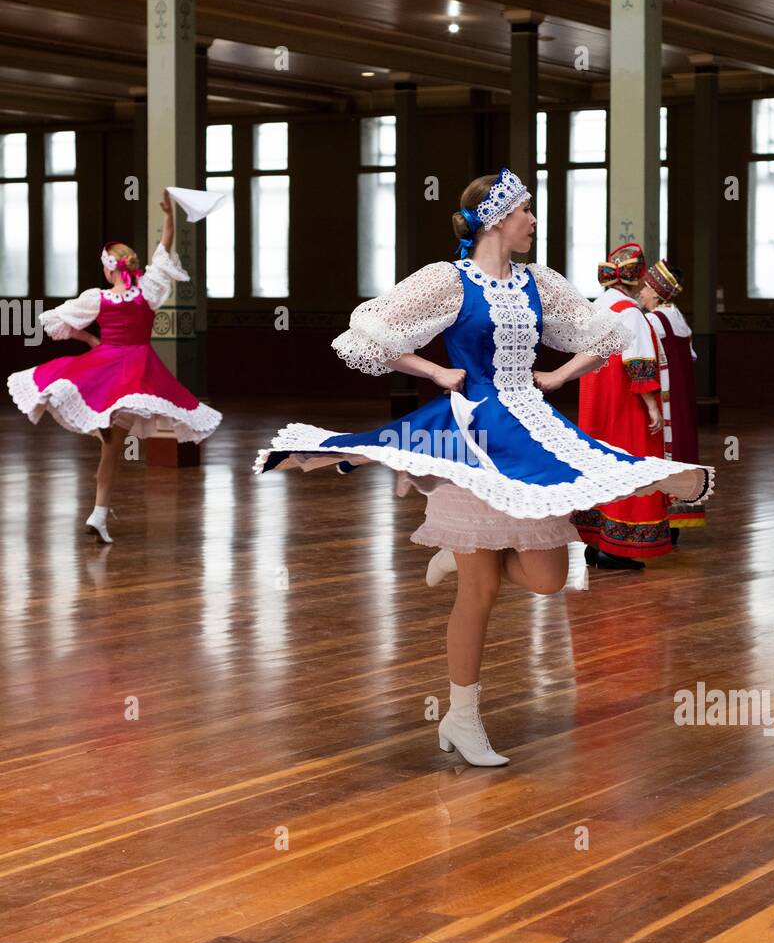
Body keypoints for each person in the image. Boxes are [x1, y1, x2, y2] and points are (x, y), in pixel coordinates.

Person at [255, 170, 712, 767]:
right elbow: (367, 335)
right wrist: (434, 373)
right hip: (469, 438)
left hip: (530, 431)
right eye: (526, 211)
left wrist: (558, 376)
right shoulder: (447, 280)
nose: (533, 221)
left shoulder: (538, 282)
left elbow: (603, 333)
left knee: (551, 578)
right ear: (496, 219)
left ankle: (454, 555)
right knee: (482, 591)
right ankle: (461, 716)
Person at [7, 190, 221, 544]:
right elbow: (163, 251)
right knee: (114, 445)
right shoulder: (147, 292)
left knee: (110, 442)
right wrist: (169, 217)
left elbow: (58, 321)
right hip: (136, 372)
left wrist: (91, 341)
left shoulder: (100, 298)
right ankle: (99, 511)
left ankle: (100, 509)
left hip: (106, 367)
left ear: (109, 269)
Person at [572, 243, 675, 570]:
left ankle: (596, 540)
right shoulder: (630, 314)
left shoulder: (595, 309)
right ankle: (617, 547)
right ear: (637, 280)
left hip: (596, 405)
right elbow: (639, 363)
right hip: (624, 407)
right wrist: (653, 407)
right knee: (631, 467)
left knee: (600, 465)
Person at [642, 259, 705, 540]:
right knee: (681, 450)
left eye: (645, 287)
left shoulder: (654, 320)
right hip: (683, 399)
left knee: (665, 454)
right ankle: (677, 522)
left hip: (666, 398)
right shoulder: (679, 317)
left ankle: (659, 519)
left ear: (655, 292)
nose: (642, 292)